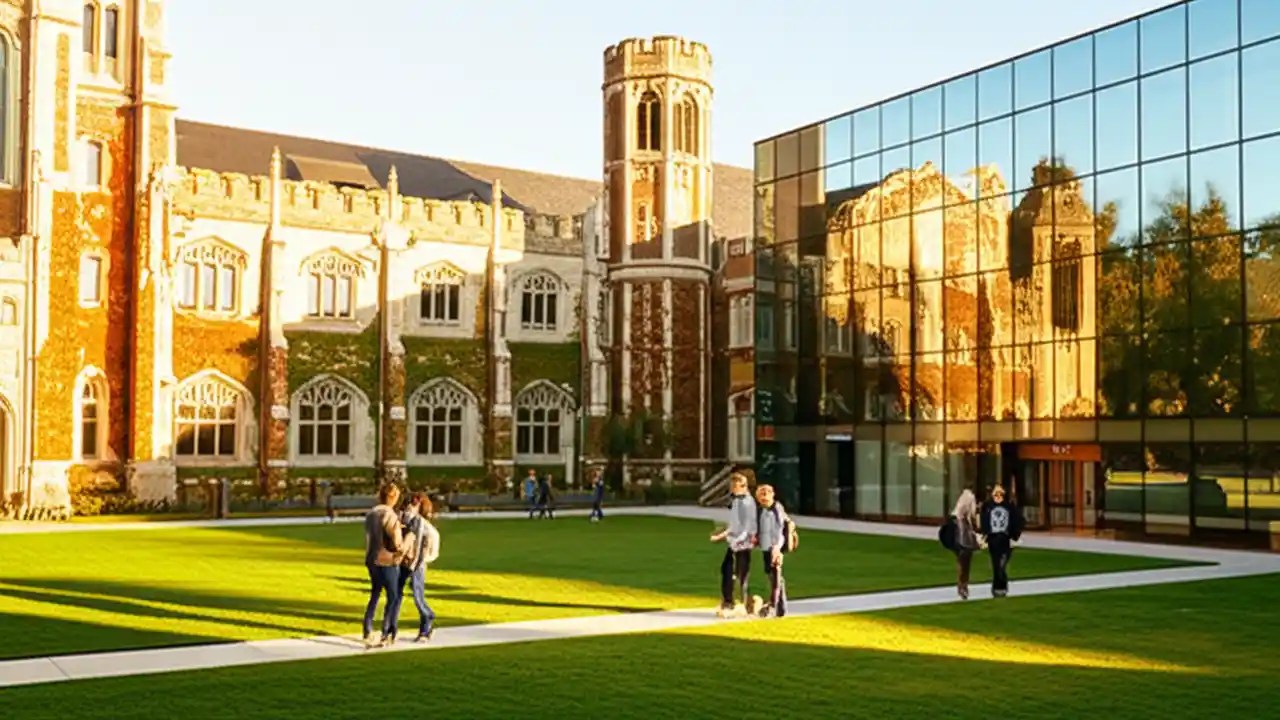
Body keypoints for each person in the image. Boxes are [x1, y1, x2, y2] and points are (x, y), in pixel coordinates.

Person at [390, 493, 440, 643]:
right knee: (395, 594)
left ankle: (427, 622)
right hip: (402, 562)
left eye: (414, 504)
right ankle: (391, 629)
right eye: (408, 504)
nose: (409, 507)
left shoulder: (426, 528)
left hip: (417, 564)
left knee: (418, 597)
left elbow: (433, 549)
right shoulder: (402, 522)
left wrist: (422, 560)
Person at [362, 483, 406, 648]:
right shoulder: (390, 515)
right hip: (387, 559)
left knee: (375, 594)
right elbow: (396, 540)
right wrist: (402, 549)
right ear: (393, 498)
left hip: (371, 558)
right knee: (393, 597)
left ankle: (367, 629)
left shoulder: (371, 514)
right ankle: (386, 632)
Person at [709, 473, 757, 617]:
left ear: (743, 486)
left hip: (743, 544)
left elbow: (748, 527)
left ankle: (739, 603)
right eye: (731, 486)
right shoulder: (736, 501)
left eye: (734, 486)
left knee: (739, 574)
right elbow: (734, 525)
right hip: (734, 543)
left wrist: (737, 541)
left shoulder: (748, 503)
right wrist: (722, 535)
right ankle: (729, 602)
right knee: (727, 570)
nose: (732, 489)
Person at [980, 484, 1024, 598]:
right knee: (995, 564)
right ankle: (997, 587)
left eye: (1000, 494)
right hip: (993, 539)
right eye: (996, 494)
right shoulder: (988, 506)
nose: (998, 496)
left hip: (1004, 538)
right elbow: (984, 520)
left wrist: (1015, 535)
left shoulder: (1009, 507)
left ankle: (1002, 585)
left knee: (1002, 564)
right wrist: (984, 535)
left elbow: (1018, 521)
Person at [754, 483, 789, 618]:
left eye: (765, 495)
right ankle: (781, 608)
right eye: (760, 496)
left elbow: (779, 531)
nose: (763, 499)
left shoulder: (776, 510)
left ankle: (773, 606)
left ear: (772, 495)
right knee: (774, 577)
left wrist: (777, 548)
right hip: (765, 547)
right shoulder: (760, 510)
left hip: (775, 548)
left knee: (775, 577)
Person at [951, 484, 980, 600]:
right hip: (963, 529)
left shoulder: (962, 496)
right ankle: (964, 586)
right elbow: (972, 515)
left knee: (960, 559)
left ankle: (960, 585)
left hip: (955, 529)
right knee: (966, 559)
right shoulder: (971, 497)